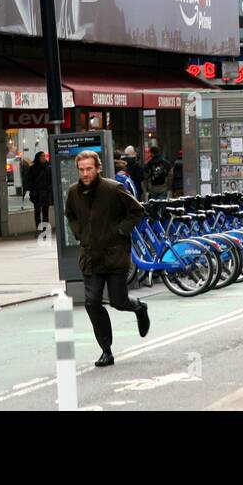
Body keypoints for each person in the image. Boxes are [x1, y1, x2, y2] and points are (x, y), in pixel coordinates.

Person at [64, 150, 150, 367]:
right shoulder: (74, 192)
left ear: (98, 168)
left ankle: (139, 308)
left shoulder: (113, 189)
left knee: (118, 302)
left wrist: (122, 231)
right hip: (90, 256)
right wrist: (79, 233)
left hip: (114, 256)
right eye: (81, 169)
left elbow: (137, 210)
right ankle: (106, 351)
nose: (85, 173)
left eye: (89, 169)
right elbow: (71, 215)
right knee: (92, 303)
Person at [25, 151, 53, 228]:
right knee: (37, 211)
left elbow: (51, 180)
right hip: (36, 193)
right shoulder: (33, 168)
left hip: (45, 193)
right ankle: (39, 228)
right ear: (38, 158)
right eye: (42, 156)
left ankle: (45, 229)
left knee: (45, 212)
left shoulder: (48, 167)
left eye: (44, 156)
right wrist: (32, 189)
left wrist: (49, 190)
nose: (44, 158)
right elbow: (29, 180)